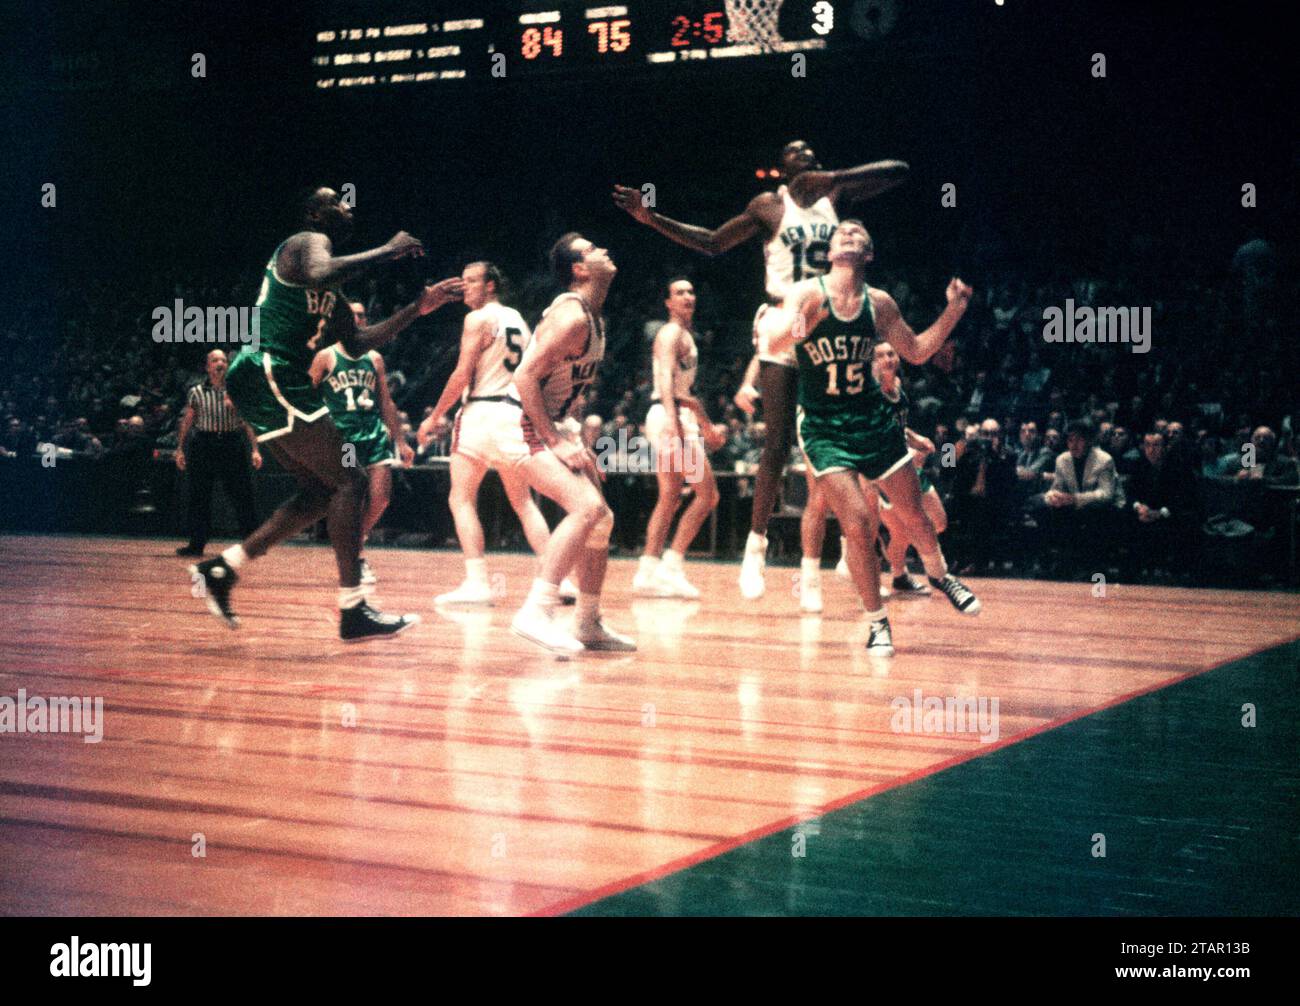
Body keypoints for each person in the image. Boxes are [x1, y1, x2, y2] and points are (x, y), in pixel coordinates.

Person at [614, 141, 908, 600]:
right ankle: (756, 547)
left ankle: (840, 554)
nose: (807, 156)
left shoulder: (835, 198)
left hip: (831, 316)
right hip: (784, 315)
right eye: (797, 155)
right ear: (782, 168)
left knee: (840, 431)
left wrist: (836, 178)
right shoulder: (769, 207)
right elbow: (712, 241)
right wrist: (652, 217)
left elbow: (898, 168)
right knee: (777, 439)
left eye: (812, 154)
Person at [190, 186, 463, 639]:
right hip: (268, 367)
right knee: (350, 480)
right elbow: (320, 270)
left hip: (272, 377)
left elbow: (356, 342)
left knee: (321, 491)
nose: (346, 205)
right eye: (335, 200)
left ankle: (223, 569)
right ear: (315, 213)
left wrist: (418, 308)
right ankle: (353, 609)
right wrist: (387, 251)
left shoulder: (331, 296)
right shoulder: (306, 243)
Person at [760, 219, 981, 656]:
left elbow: (916, 351)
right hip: (824, 426)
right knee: (859, 524)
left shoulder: (878, 304)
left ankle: (940, 573)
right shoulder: (807, 292)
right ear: (829, 251)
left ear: (869, 254)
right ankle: (877, 622)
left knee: (915, 514)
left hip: (872, 421)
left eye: (859, 232)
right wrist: (805, 323)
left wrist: (954, 310)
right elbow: (774, 342)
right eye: (841, 231)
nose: (848, 233)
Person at [415, 261, 575, 605]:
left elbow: (461, 374)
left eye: (472, 281)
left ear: (491, 285)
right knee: (523, 503)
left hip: (479, 414)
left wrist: (434, 417)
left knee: (460, 498)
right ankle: (558, 580)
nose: (465, 288)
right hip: (512, 415)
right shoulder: (519, 320)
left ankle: (478, 583)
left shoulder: (477, 319)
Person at [505, 232, 635, 655]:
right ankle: (536, 610)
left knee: (603, 519)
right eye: (593, 249)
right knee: (588, 508)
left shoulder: (594, 317)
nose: (605, 250)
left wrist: (573, 437)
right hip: (520, 420)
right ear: (579, 269)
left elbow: (564, 389)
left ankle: (587, 621)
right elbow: (524, 378)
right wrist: (555, 442)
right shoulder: (573, 317)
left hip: (553, 421)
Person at [308, 301, 414, 586]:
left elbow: (386, 401)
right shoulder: (326, 357)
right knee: (353, 498)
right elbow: (306, 397)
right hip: (344, 439)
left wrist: (401, 440)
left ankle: (353, 543)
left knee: (381, 497)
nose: (358, 319)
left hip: (373, 434)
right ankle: (356, 556)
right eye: (352, 315)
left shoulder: (375, 358)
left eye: (362, 315)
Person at [634, 277, 724, 598]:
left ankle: (646, 570)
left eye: (690, 290)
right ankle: (671, 566)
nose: (688, 296)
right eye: (679, 292)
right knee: (708, 495)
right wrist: (688, 424)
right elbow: (668, 386)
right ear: (668, 303)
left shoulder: (683, 334)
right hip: (671, 417)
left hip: (669, 416)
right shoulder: (671, 333)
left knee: (670, 496)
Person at [175, 348, 261, 557]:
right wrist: (180, 448)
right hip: (204, 443)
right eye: (215, 360)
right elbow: (188, 419)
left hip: (232, 442)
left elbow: (247, 420)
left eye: (223, 360)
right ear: (208, 366)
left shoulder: (236, 389)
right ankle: (196, 544)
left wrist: (255, 450)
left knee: (242, 494)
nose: (220, 363)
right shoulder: (196, 391)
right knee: (199, 495)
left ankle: (251, 544)